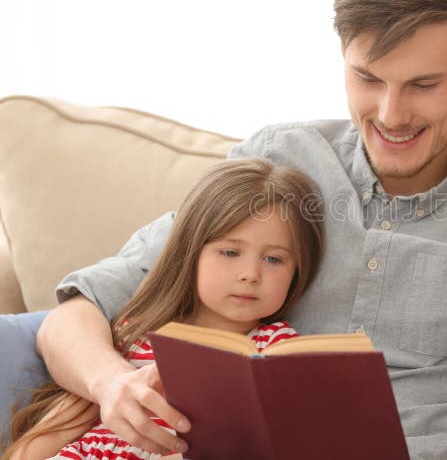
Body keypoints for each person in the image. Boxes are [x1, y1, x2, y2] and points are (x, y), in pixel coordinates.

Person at [4, 0, 447, 460]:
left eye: (423, 85)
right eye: (368, 78)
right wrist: (112, 385)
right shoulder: (278, 165)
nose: (391, 115)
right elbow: (78, 312)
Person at [2, 158, 324, 459]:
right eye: (229, 252)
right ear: (192, 251)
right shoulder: (141, 329)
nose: (250, 275)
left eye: (273, 259)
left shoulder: (277, 351)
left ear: (298, 270)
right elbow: (69, 417)